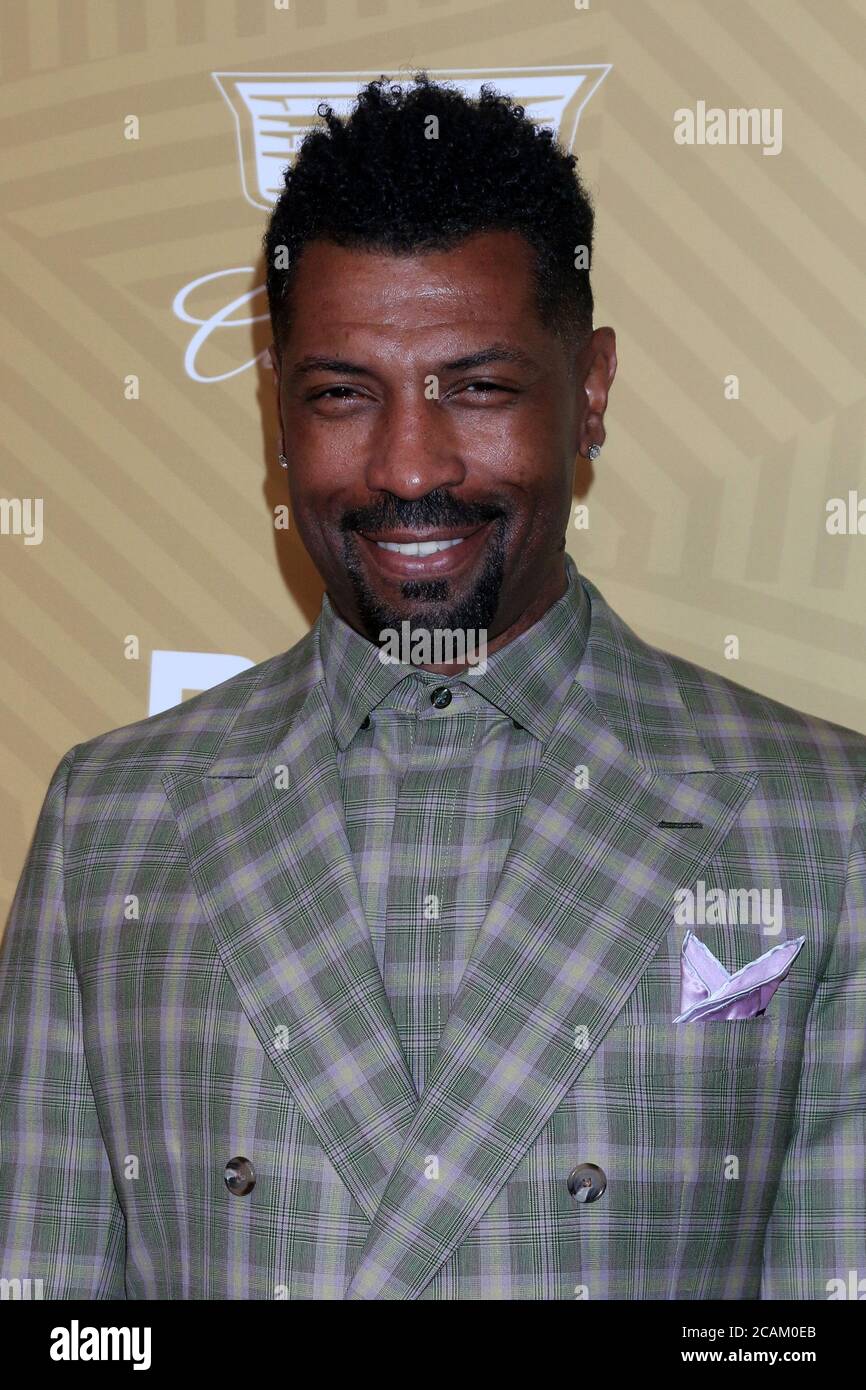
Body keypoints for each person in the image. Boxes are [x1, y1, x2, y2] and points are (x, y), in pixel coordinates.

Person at [1, 73, 863, 1301]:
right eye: (343, 394)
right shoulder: (112, 819)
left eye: (477, 386)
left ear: (591, 395)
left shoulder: (824, 819)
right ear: (276, 414)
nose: (410, 465)